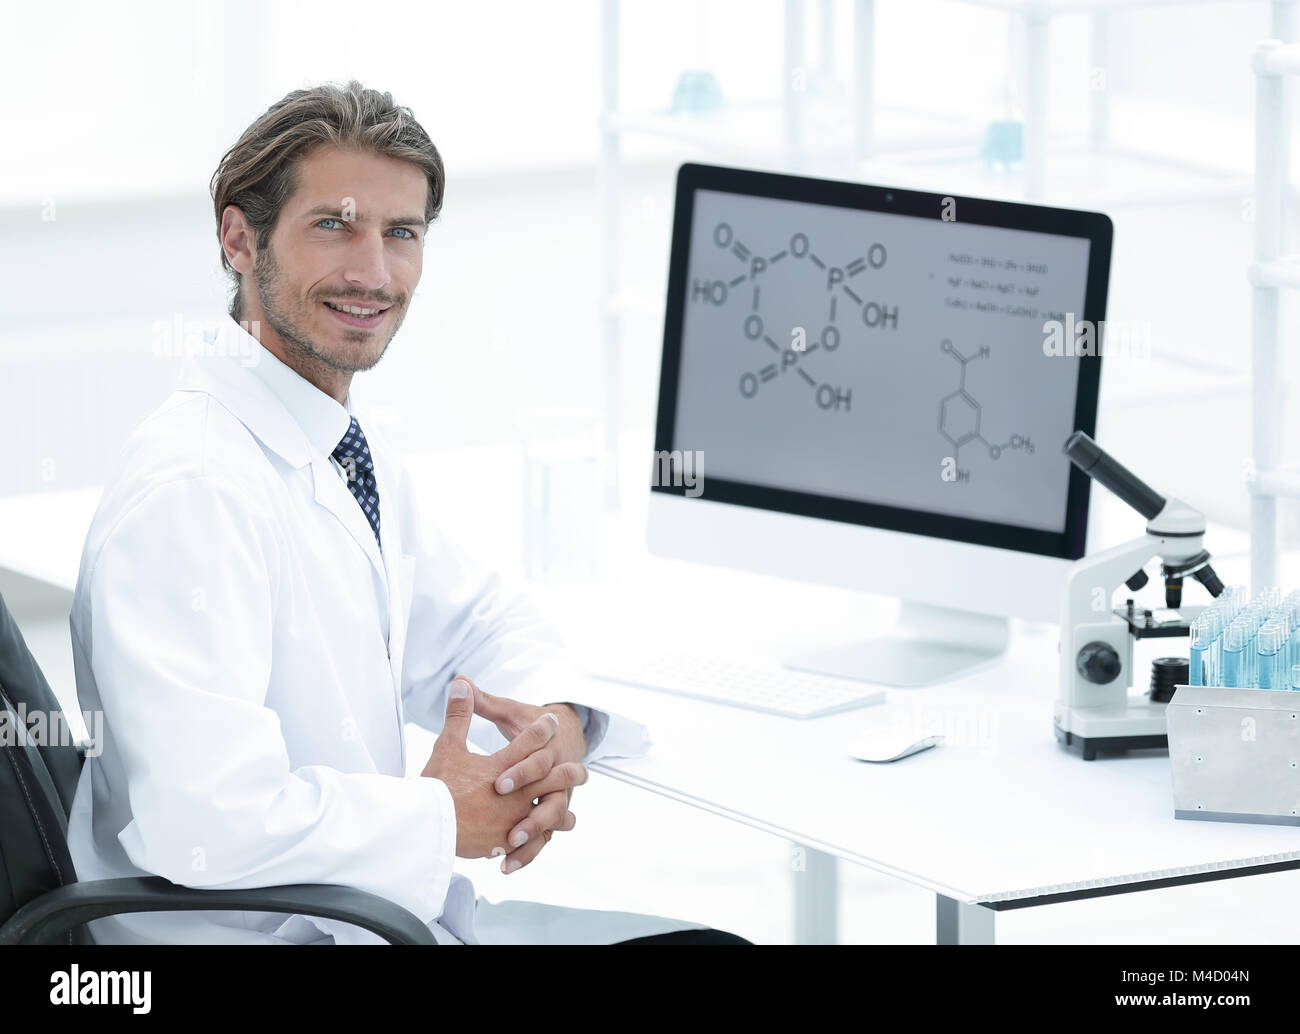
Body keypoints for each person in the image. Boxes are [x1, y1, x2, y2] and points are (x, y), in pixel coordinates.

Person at [65, 79, 750, 946]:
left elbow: (478, 624)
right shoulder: (194, 492)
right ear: (240, 238)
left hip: (366, 923)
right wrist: (437, 818)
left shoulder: (335, 445)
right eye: (333, 226)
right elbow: (205, 821)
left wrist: (553, 725)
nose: (372, 273)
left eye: (401, 234)